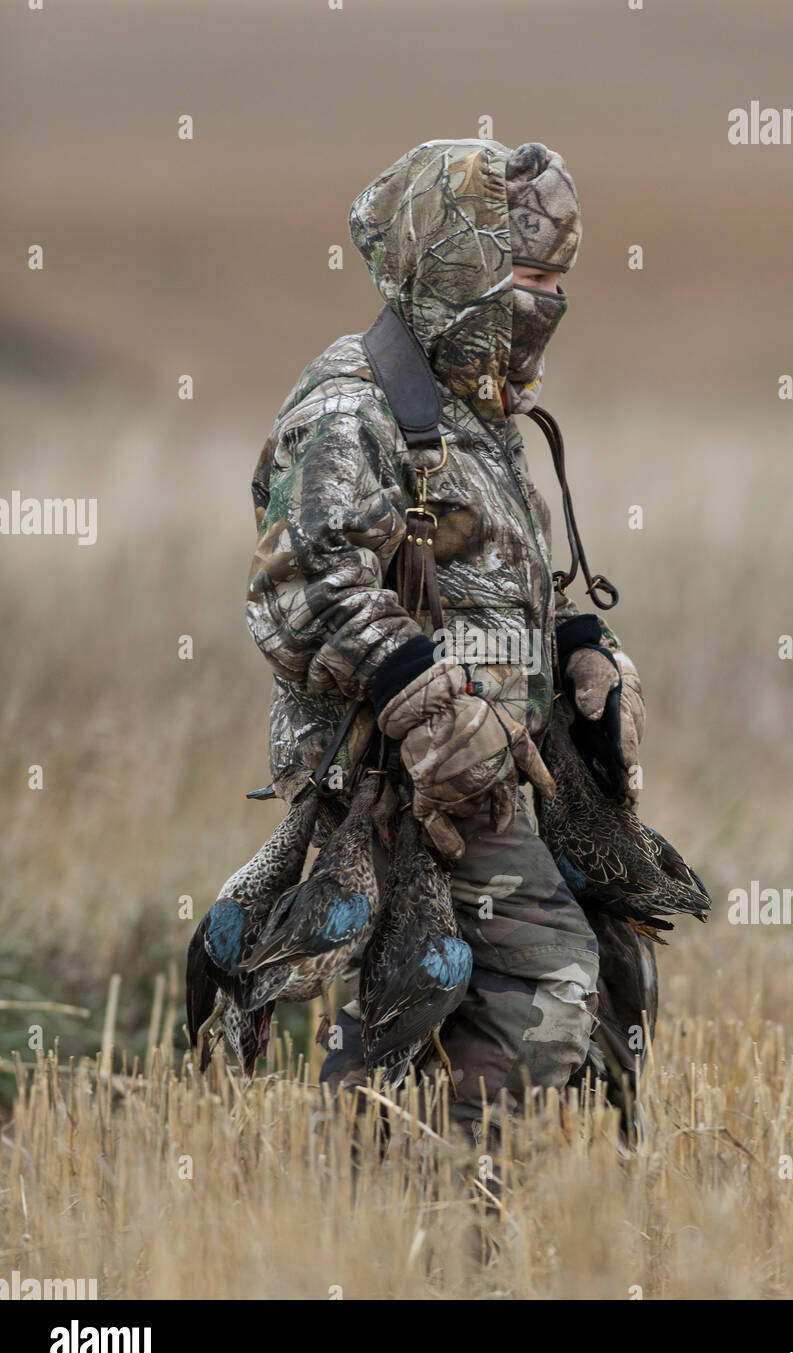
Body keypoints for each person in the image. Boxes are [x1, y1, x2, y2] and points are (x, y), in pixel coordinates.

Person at [246, 139, 646, 1144]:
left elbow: (482, 575)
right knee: (545, 986)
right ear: (458, 272)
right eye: (530, 278)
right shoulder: (353, 406)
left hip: (494, 768)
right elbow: (307, 587)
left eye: (559, 281)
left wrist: (580, 652)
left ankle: (408, 1225)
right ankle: (410, 1207)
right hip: (402, 779)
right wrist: (423, 696)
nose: (550, 302)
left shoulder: (468, 407)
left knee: (524, 995)